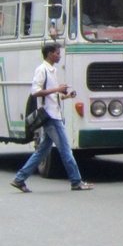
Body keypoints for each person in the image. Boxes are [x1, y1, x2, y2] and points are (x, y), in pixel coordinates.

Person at [10, 44, 93, 192]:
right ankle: (76, 181)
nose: (60, 56)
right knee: (66, 150)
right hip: (50, 116)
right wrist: (57, 89)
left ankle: (19, 179)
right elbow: (36, 92)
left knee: (42, 150)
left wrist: (65, 96)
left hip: (54, 114)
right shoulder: (42, 70)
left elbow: (51, 96)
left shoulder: (52, 70)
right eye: (57, 53)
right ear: (49, 54)